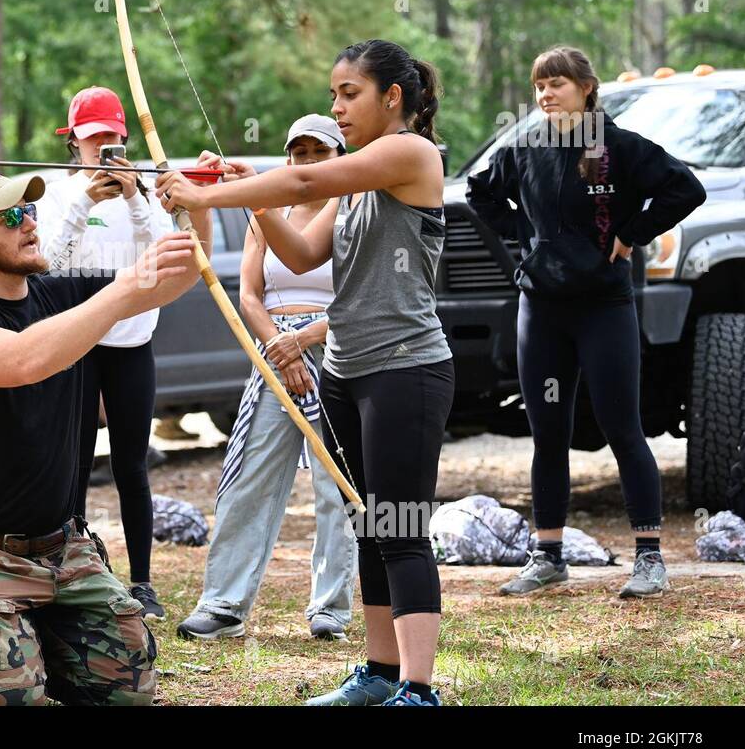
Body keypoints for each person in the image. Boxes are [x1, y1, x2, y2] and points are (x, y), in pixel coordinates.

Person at [157, 39, 454, 707]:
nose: (337, 107)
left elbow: (301, 180)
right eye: (333, 95)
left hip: (405, 370)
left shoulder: (410, 154)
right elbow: (297, 249)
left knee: (400, 524)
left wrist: (211, 185)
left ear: (393, 98)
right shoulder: (356, 180)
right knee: (370, 526)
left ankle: (418, 687)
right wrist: (245, 201)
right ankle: (380, 673)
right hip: (347, 373)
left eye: (349, 93)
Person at [0, 169, 213, 705]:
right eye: (10, 216)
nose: (29, 223)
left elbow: (178, 276)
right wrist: (120, 292)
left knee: (129, 693)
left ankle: (30, 636)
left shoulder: (60, 293)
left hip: (61, 547)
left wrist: (198, 205)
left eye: (29, 212)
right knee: (12, 701)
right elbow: (23, 359)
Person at [466, 46, 705, 599]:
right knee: (549, 433)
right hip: (542, 310)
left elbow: (685, 189)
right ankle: (547, 556)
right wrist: (527, 241)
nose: (546, 95)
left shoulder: (618, 146)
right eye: (539, 86)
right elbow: (480, 192)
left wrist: (631, 234)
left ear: (586, 89)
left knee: (624, 426)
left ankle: (649, 558)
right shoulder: (525, 148)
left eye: (558, 84)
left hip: (604, 308)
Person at [177, 114, 357, 642]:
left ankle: (330, 609)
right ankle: (223, 604)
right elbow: (249, 296)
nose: (306, 163)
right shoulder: (267, 215)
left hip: (334, 346)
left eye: (318, 154)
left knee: (335, 479)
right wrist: (280, 346)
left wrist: (305, 340)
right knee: (250, 475)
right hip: (275, 352)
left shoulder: (352, 208)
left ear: (339, 159)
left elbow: (359, 297)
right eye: (297, 154)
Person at [34, 86, 173, 618]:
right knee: (72, 459)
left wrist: (136, 195)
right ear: (74, 143)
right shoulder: (58, 195)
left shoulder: (143, 193)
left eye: (113, 140)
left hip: (131, 339)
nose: (104, 152)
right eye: (94, 142)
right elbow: (52, 266)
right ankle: (70, 567)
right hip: (77, 339)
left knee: (131, 464)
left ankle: (142, 581)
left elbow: (160, 253)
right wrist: (86, 201)